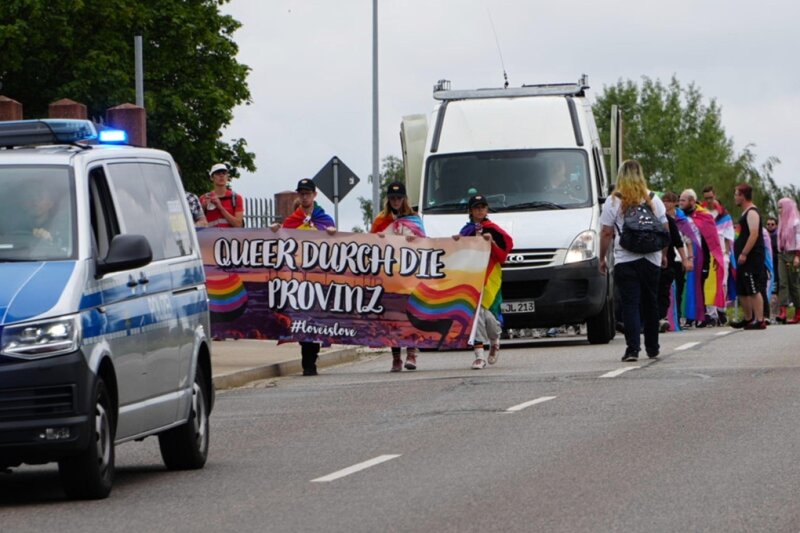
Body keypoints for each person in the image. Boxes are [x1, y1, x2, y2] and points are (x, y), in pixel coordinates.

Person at [599, 160, 667, 362]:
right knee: (650, 302)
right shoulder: (654, 199)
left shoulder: (613, 201)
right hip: (651, 258)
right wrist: (663, 254)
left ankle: (632, 349)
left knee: (630, 304)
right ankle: (653, 347)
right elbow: (664, 229)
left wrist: (602, 257)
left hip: (625, 257)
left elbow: (606, 232)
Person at [270, 178, 336, 375]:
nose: (305, 197)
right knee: (301, 315)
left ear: (314, 195)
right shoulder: (292, 221)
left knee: (315, 317)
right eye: (302, 193)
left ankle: (311, 358)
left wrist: (331, 234)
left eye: (308, 193)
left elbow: (335, 247)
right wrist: (276, 231)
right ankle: (307, 360)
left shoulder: (325, 220)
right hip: (298, 278)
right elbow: (282, 242)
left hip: (318, 276)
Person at [370, 181, 427, 372]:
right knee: (392, 316)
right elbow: (371, 244)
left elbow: (425, 244)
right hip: (389, 274)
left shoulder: (414, 219)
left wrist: (415, 241)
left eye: (399, 198)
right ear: (388, 200)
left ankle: (411, 352)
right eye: (392, 198)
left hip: (409, 274)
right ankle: (396, 357)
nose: (395, 201)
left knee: (409, 314)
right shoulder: (381, 220)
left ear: (404, 199)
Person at [453, 194, 514, 369]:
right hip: (472, 278)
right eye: (476, 207)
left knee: (490, 317)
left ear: (487, 209)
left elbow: (502, 257)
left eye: (483, 207)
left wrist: (492, 243)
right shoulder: (466, 231)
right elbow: (457, 254)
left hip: (490, 277)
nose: (480, 210)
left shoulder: (494, 230)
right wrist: (456, 242)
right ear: (470, 211)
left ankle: (495, 340)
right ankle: (479, 355)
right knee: (476, 315)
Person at [677, 189, 725, 328]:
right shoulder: (679, 216)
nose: (680, 203)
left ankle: (703, 315)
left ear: (692, 201)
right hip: (683, 255)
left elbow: (712, 238)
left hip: (702, 256)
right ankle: (689, 316)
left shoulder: (704, 215)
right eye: (679, 200)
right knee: (686, 286)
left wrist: (716, 256)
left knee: (700, 286)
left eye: (683, 201)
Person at [731, 183, 767, 329]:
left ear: (742, 196)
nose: (735, 197)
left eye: (736, 194)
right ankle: (748, 318)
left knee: (753, 287)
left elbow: (754, 234)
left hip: (751, 257)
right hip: (742, 258)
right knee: (742, 289)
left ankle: (760, 319)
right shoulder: (744, 213)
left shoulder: (752, 212)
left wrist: (744, 253)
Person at [658, 191, 693, 332]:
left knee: (676, 291)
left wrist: (688, 259)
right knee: (662, 290)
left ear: (674, 203)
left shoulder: (682, 220)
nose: (665, 204)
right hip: (662, 259)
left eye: (668, 201)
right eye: (663, 201)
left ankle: (675, 317)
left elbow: (686, 241)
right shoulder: (659, 218)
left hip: (676, 260)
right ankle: (662, 318)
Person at [775, 197, 800, 324]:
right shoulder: (781, 221)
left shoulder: (796, 221)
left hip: (793, 254)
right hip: (782, 254)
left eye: (781, 207)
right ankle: (783, 311)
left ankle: (798, 312)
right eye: (778, 207)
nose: (779, 210)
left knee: (794, 284)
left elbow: (799, 239)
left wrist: (797, 256)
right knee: (783, 282)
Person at [200, 163, 244, 228]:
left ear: (227, 177)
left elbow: (238, 225)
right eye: (218, 173)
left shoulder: (236, 198)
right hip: (210, 237)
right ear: (212, 178)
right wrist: (202, 208)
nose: (221, 176)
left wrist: (220, 208)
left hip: (229, 237)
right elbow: (195, 224)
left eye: (224, 173)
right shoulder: (204, 198)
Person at [765, 215, 782, 320]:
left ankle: (774, 315)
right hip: (766, 268)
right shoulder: (763, 236)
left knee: (774, 293)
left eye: (772, 224)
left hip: (776, 268)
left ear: (776, 225)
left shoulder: (778, 237)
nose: (770, 226)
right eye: (768, 224)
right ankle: (768, 314)